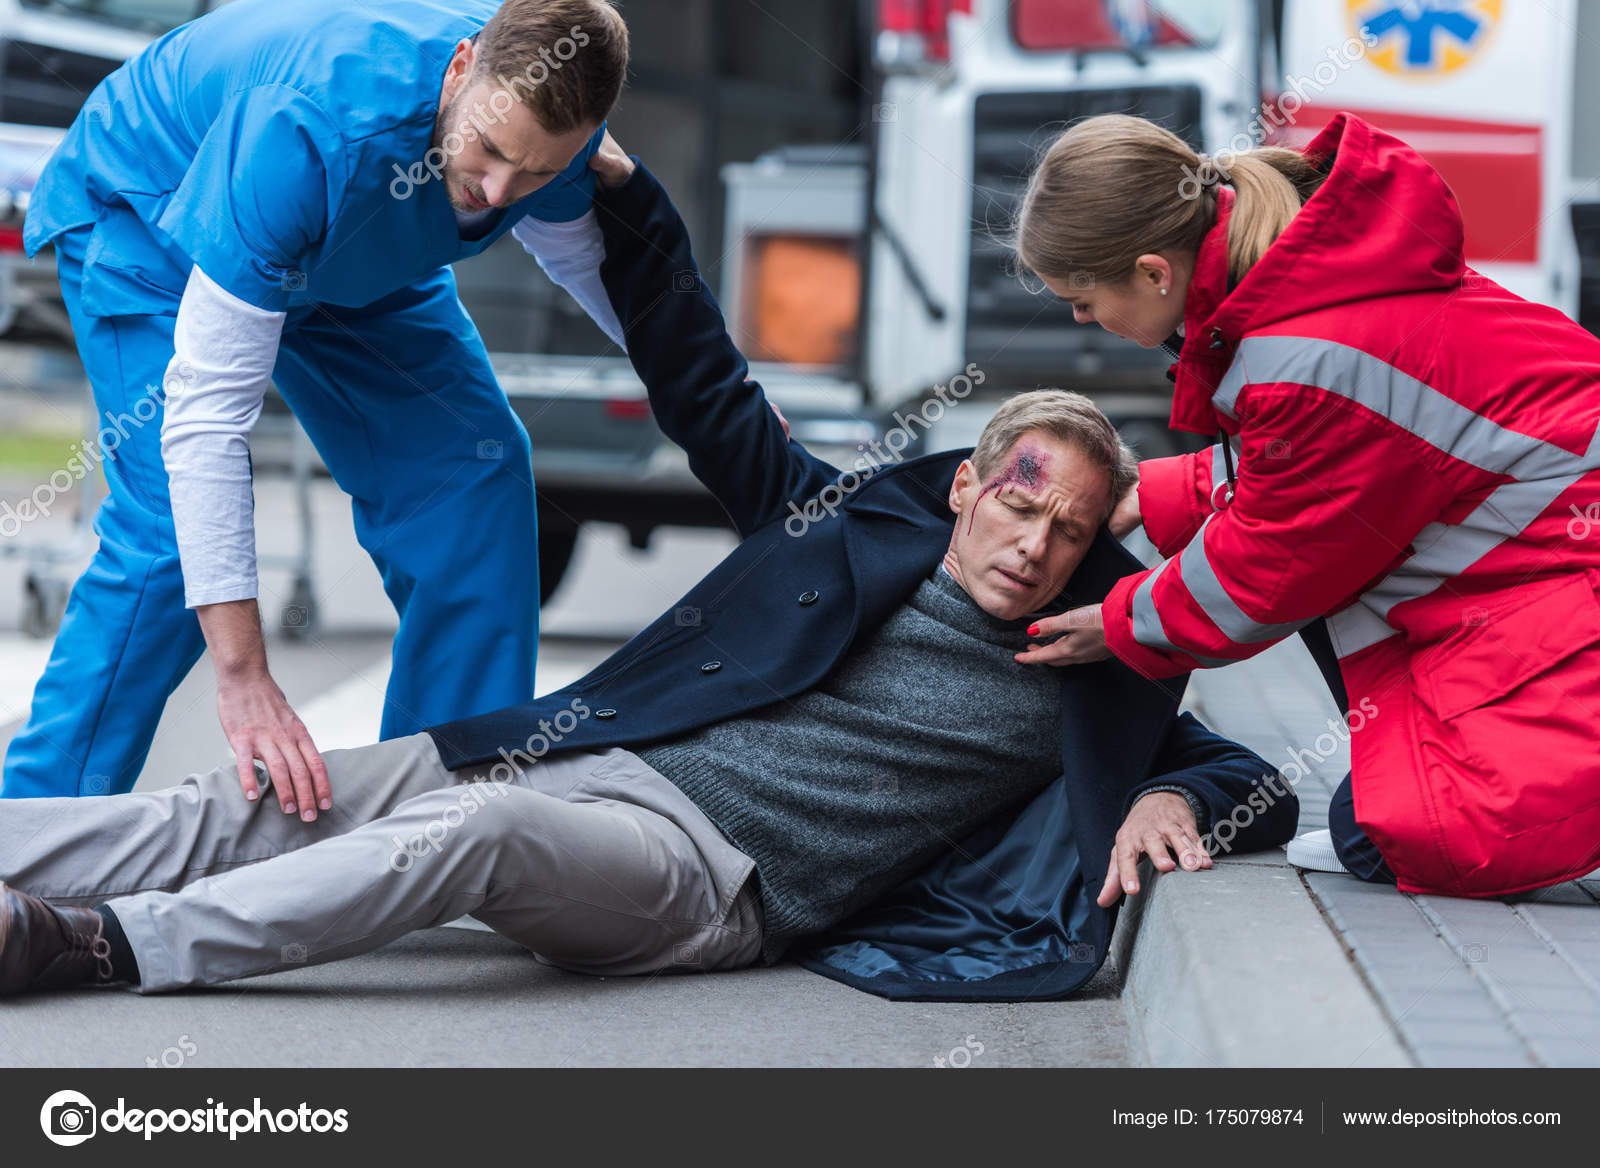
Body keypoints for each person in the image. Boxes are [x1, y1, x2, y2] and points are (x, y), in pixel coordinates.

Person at [0, 142, 1294, 1002]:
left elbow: (1248, 773)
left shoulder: (1094, 650)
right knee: (272, 791)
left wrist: (1170, 803)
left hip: (713, 883)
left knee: (472, 832)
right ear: (967, 484)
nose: (1037, 548)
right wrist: (621, 196)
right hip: (588, 759)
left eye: (1073, 533)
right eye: (1023, 505)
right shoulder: (847, 527)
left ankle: (104, 948)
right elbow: (707, 394)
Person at [3, 0, 630, 817]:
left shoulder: (547, 106)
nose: (498, 193)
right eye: (489, 153)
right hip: (152, 215)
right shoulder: (306, 130)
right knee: (166, 542)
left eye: (537, 174)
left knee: (476, 474)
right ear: (459, 69)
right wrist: (243, 677)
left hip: (338, 240)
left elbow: (598, 266)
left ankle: (442, 822)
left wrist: (725, 403)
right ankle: (29, 844)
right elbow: (206, 419)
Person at [1010, 111, 1600, 897]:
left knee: (1404, 839)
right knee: (1390, 808)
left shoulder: (1300, 356)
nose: (1084, 320)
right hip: (1543, 547)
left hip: (1563, 565)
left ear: (1154, 273)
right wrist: (1147, 497)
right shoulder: (1303, 288)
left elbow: (1274, 563)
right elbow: (1337, 475)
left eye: (1082, 299)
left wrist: (1122, 624)